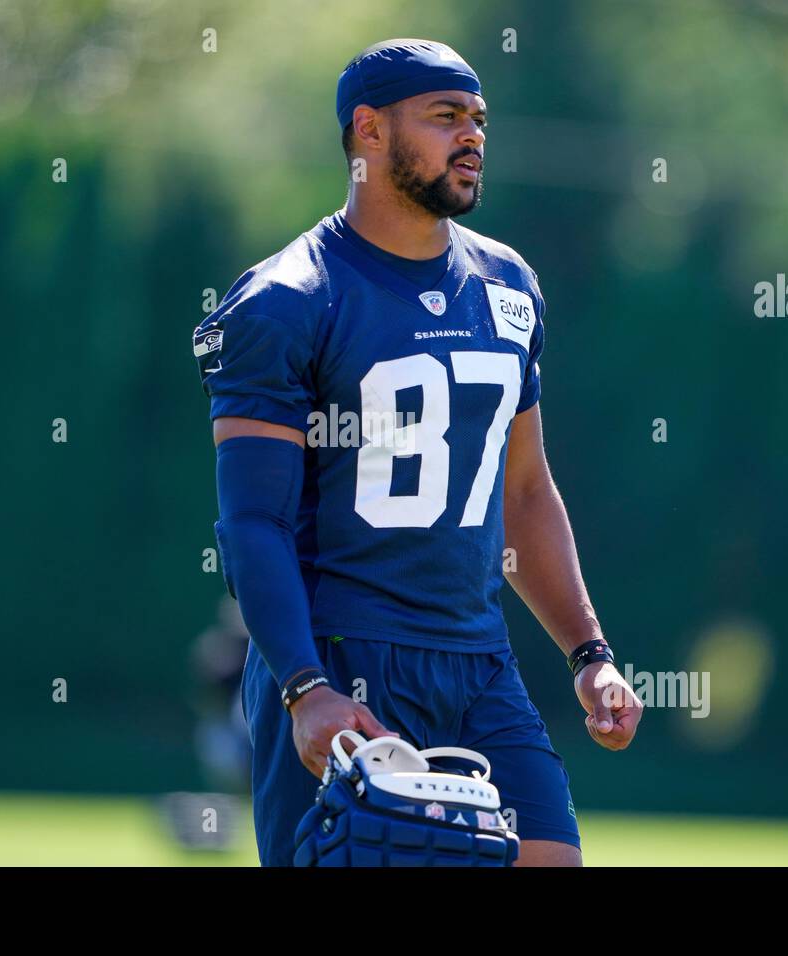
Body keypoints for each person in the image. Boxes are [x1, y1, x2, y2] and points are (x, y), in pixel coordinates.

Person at [192, 38, 642, 867]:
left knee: (551, 858)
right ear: (367, 130)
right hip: (341, 654)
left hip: (478, 659)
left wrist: (589, 655)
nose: (471, 136)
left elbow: (526, 494)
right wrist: (303, 686)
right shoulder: (288, 299)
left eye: (477, 119)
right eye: (444, 117)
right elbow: (252, 522)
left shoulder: (509, 287)